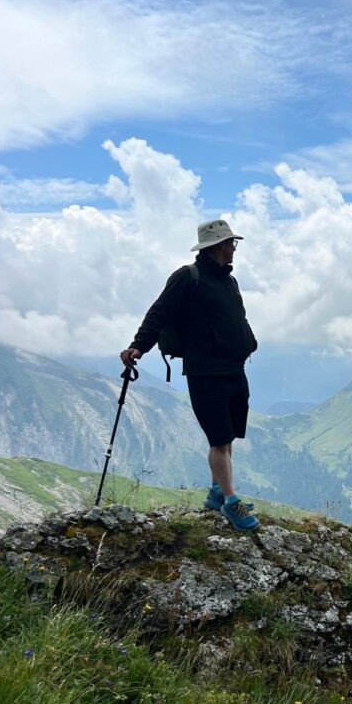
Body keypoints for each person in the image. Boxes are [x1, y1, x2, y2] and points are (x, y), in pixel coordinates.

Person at [120, 218, 259, 530]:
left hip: (233, 368)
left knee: (228, 436)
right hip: (206, 371)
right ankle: (231, 502)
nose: (234, 248)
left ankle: (216, 494)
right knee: (218, 438)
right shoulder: (188, 277)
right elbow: (160, 312)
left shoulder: (227, 280)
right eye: (230, 243)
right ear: (219, 246)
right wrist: (138, 346)